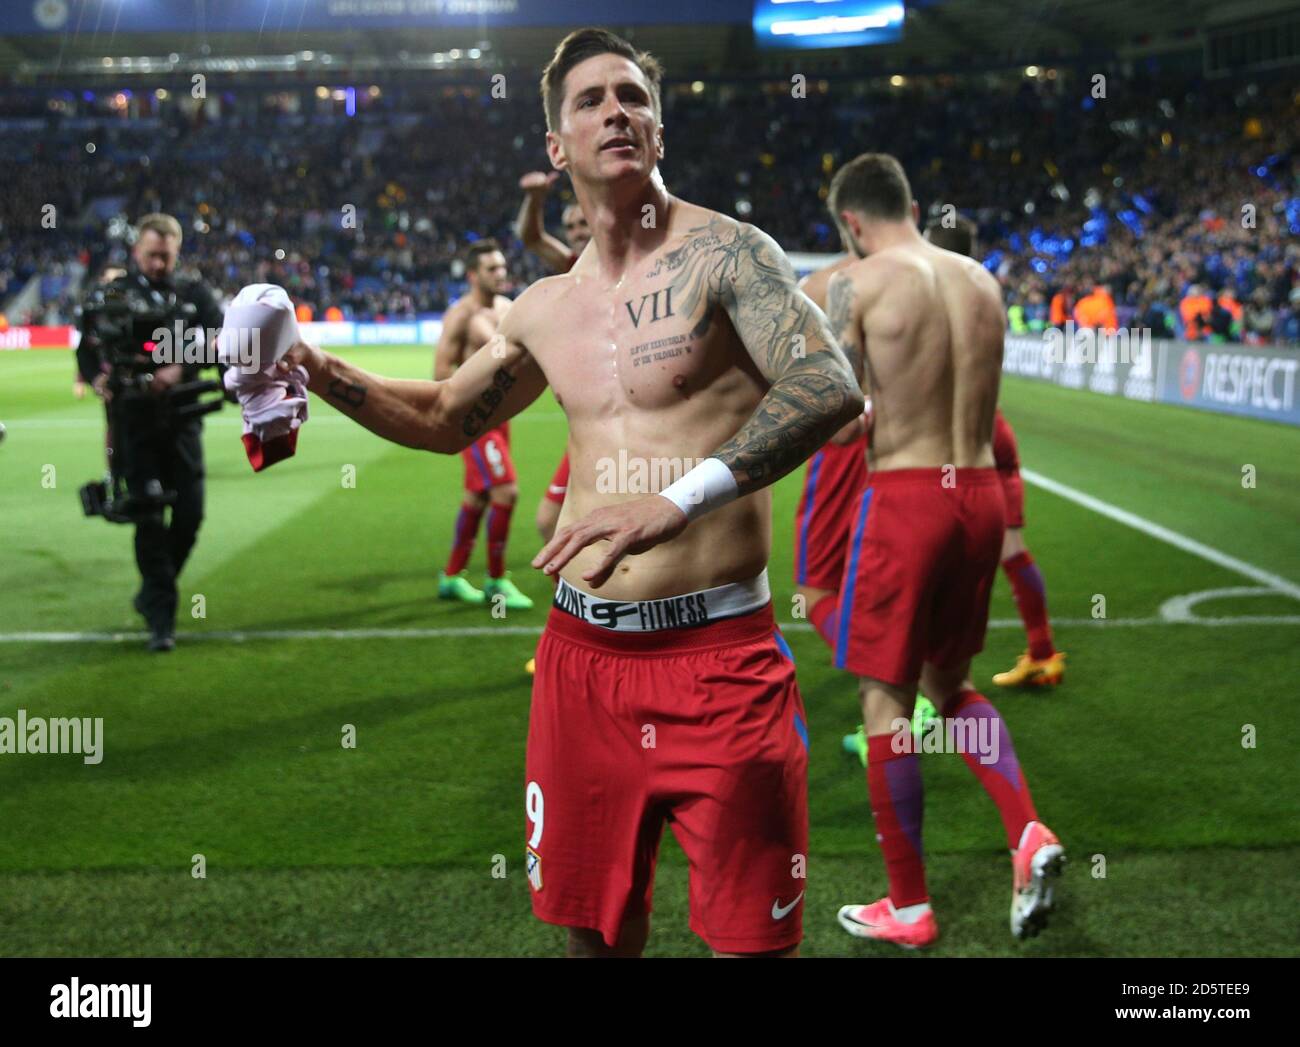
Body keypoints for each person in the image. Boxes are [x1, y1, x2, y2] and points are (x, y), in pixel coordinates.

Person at [278, 28, 861, 957]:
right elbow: (440, 417)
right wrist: (311, 367)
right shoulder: (544, 306)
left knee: (752, 943)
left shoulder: (730, 254)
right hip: (580, 662)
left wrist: (679, 499)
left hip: (721, 660)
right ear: (558, 147)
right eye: (589, 101)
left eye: (632, 96)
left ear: (660, 131)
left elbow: (829, 384)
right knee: (590, 937)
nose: (615, 111)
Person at [820, 154, 1063, 948]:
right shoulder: (980, 280)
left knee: (884, 700)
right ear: (912, 204)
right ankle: (1027, 831)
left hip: (907, 494)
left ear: (851, 222)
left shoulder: (856, 283)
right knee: (950, 685)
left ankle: (911, 905)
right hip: (982, 496)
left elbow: (843, 418)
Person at [924, 219, 1064, 688]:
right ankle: (1043, 652)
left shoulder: (938, 295)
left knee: (929, 550)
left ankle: (923, 680)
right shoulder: (984, 290)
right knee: (1011, 548)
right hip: (992, 428)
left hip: (961, 437)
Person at [76, 215, 225, 652]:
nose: (159, 262)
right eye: (151, 254)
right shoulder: (112, 295)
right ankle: (162, 616)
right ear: (136, 252)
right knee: (147, 512)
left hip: (181, 418)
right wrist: (96, 377)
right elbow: (85, 346)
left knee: (191, 513)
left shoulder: (194, 294)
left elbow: (224, 337)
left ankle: (153, 592)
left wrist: (181, 365)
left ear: (177, 252)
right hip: (133, 421)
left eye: (166, 255)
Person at [434, 239, 532, 610]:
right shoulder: (461, 315)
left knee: (477, 498)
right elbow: (441, 372)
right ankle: (496, 580)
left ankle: (452, 577)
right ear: (474, 275)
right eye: (492, 269)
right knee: (506, 492)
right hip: (475, 420)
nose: (501, 274)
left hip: (500, 417)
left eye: (503, 267)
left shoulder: (508, 309)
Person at [514, 170, 592, 547]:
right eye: (571, 226)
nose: (576, 231)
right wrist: (536, 199)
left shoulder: (645, 265)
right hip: (590, 421)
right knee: (550, 522)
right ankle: (580, 600)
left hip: (640, 419)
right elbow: (530, 237)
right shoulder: (575, 266)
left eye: (583, 222)